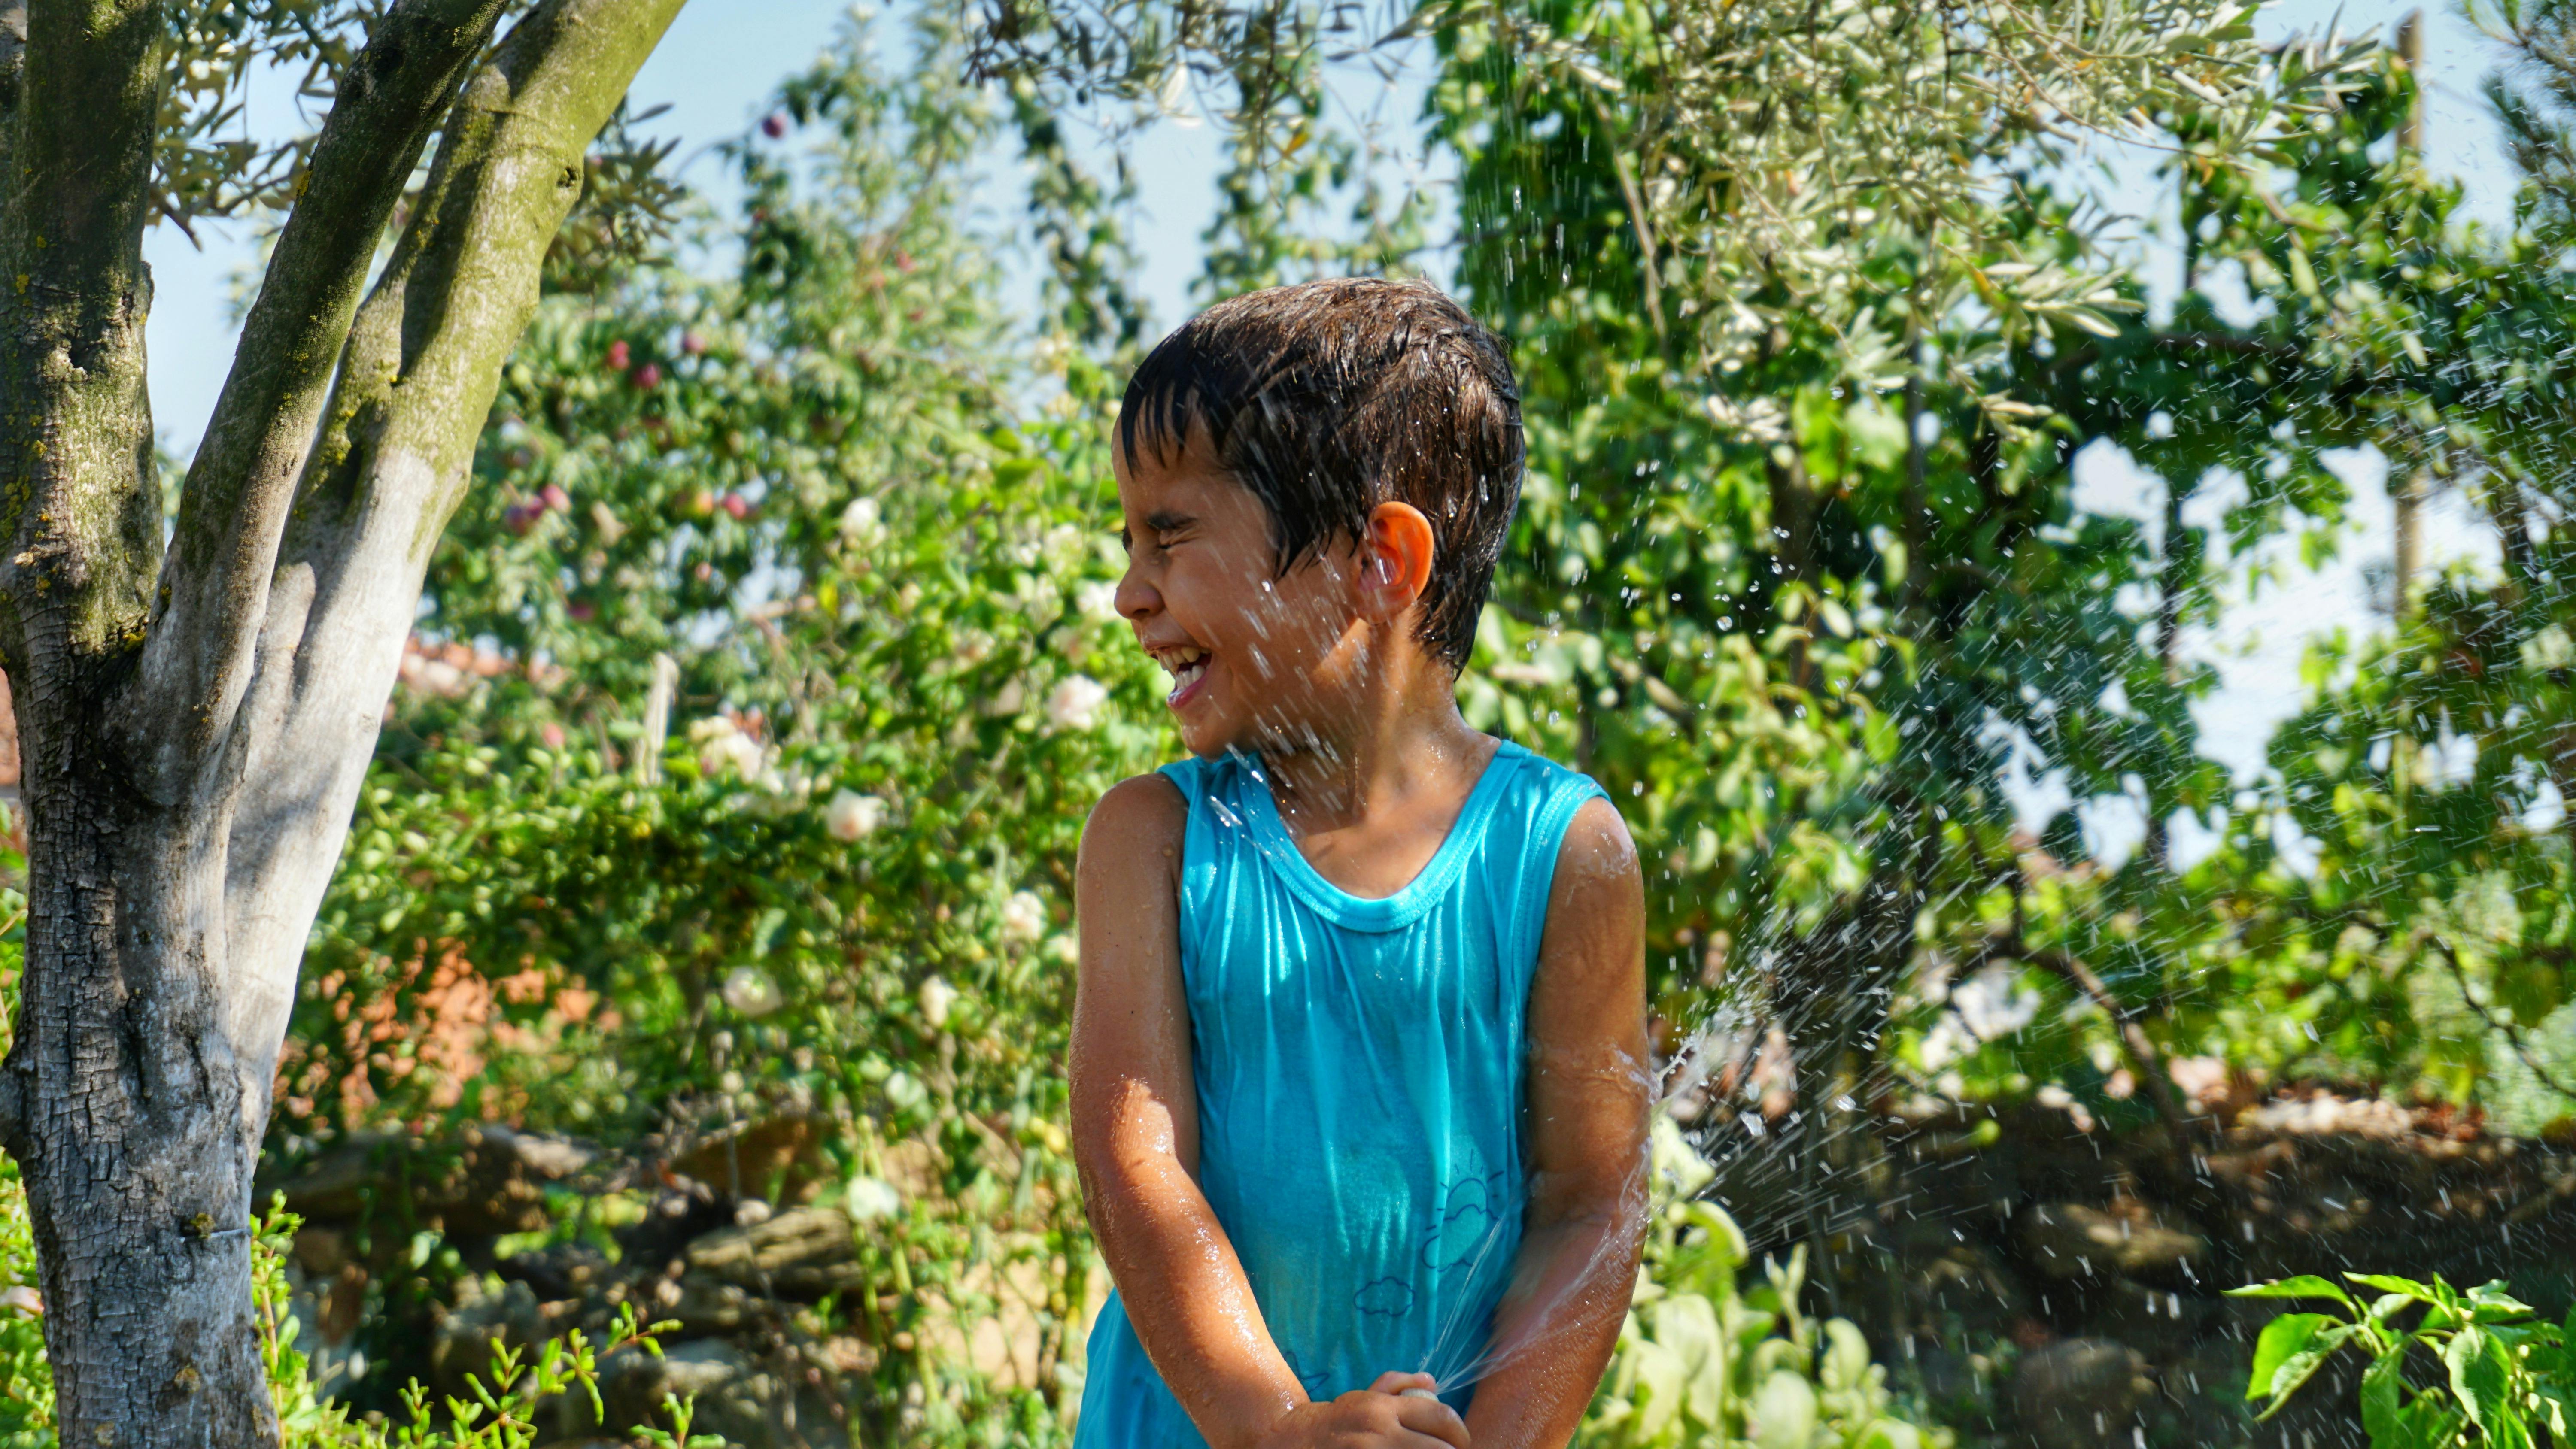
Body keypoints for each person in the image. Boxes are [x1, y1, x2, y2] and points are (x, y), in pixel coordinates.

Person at [1068, 276, 1650, 1449]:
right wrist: (1274, 1425)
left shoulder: (1562, 854)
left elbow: (1591, 1204)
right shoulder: (1156, 842)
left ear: (1381, 560)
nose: (1131, 593)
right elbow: (1138, 1166)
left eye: (1171, 537)